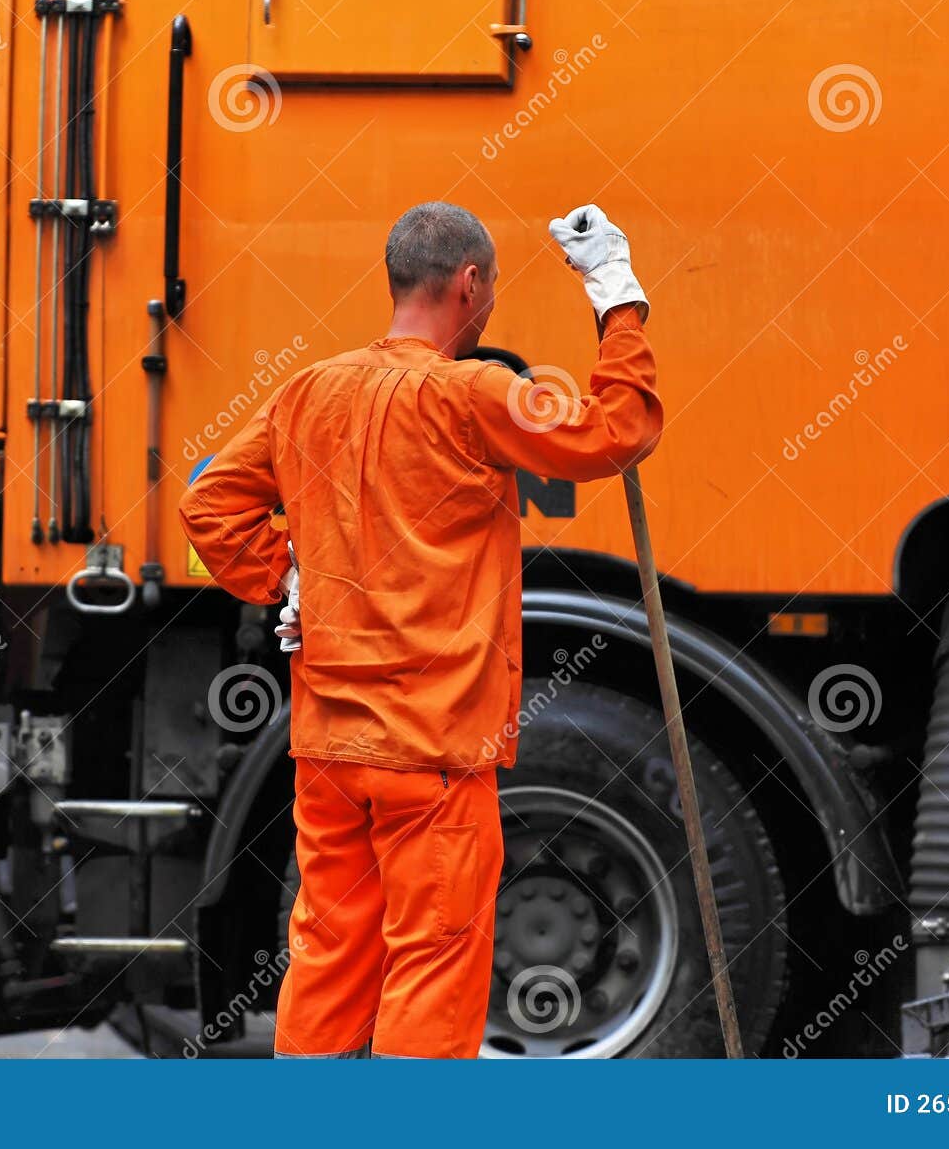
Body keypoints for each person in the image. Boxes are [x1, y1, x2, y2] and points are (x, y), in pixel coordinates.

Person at [179, 201, 663, 1058]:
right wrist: (616, 296)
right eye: (493, 289)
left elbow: (209, 501)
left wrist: (286, 577)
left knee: (329, 957)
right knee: (431, 967)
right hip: (432, 751)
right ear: (468, 285)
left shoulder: (309, 391)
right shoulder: (472, 395)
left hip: (330, 747)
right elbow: (615, 432)